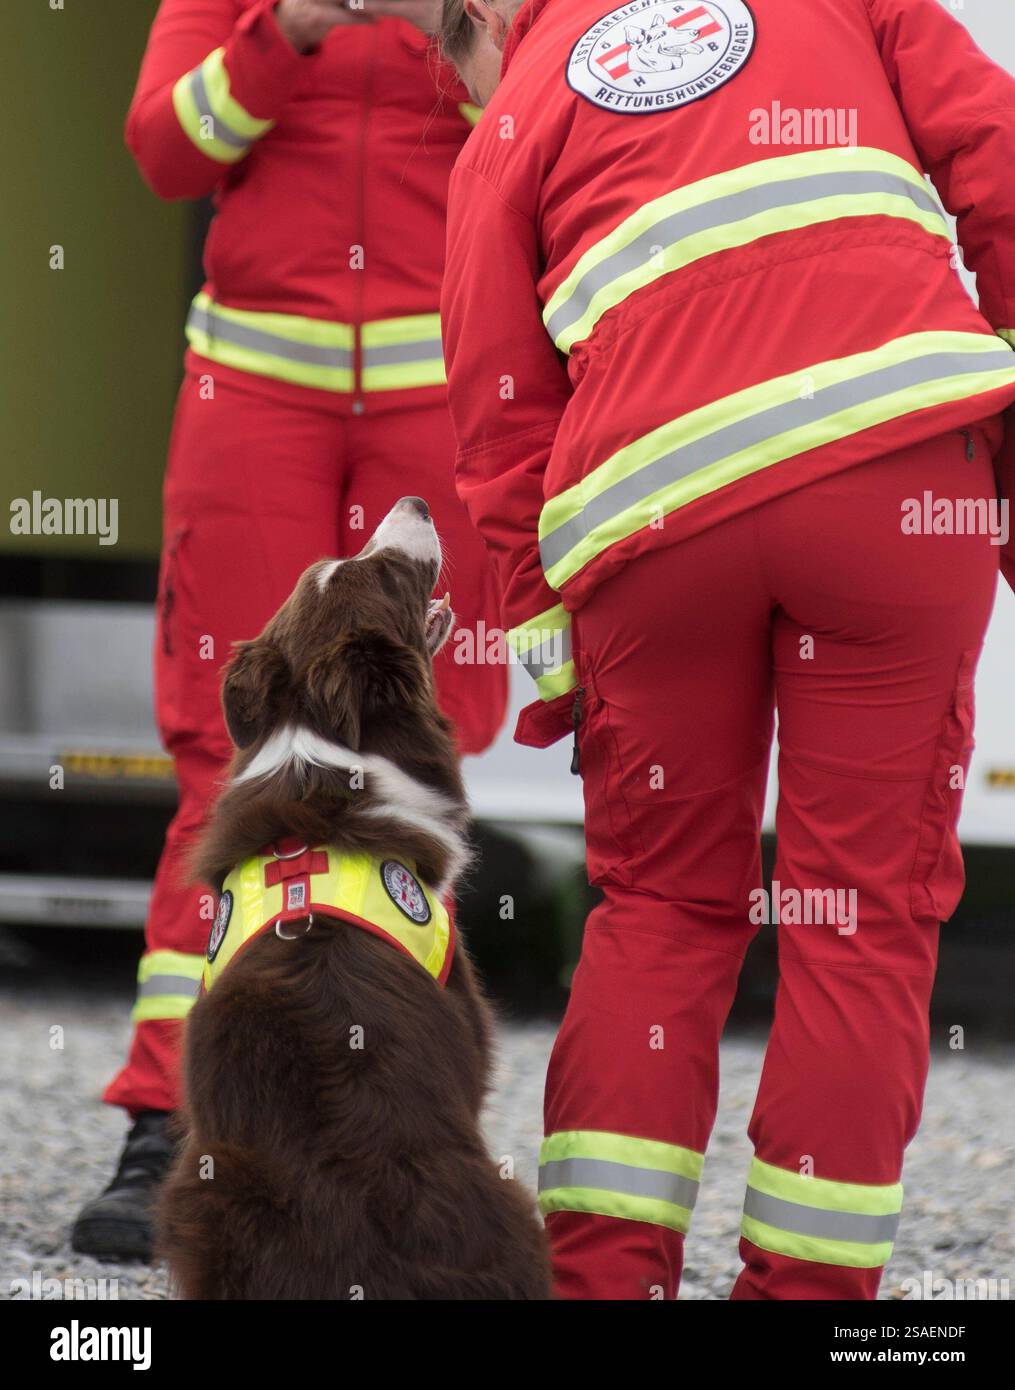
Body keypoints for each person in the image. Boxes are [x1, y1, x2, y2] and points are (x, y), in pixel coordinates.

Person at [438, 0, 1015, 1299]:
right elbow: (995, 156)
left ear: (481, 21)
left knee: (657, 907)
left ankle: (601, 1283)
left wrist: (554, 649)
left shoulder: (517, 107)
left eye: (453, 70)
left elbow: (491, 408)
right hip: (890, 468)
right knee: (855, 917)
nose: (469, 99)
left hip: (651, 518)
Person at [72, 0, 506, 1260]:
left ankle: (402, 1123)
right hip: (255, 393)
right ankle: (172, 1119)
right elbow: (166, 149)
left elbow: (544, 129)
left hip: (436, 385)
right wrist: (289, 27)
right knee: (228, 771)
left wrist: (447, 25)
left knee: (416, 766)